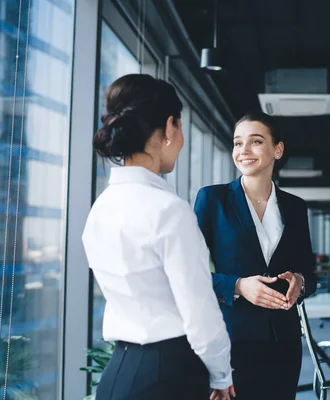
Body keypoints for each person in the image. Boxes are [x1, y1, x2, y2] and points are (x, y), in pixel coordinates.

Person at [82, 74, 234, 400]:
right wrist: (222, 375)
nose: (181, 140)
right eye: (180, 129)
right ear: (169, 128)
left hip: (117, 376)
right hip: (168, 376)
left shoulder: (100, 209)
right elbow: (200, 314)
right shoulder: (168, 210)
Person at [193, 111, 317, 400]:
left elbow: (309, 274)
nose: (244, 151)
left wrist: (299, 280)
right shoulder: (213, 200)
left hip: (284, 343)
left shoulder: (295, 207)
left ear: (278, 149)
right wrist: (237, 285)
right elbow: (190, 275)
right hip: (230, 342)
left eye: (256, 141)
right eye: (238, 143)